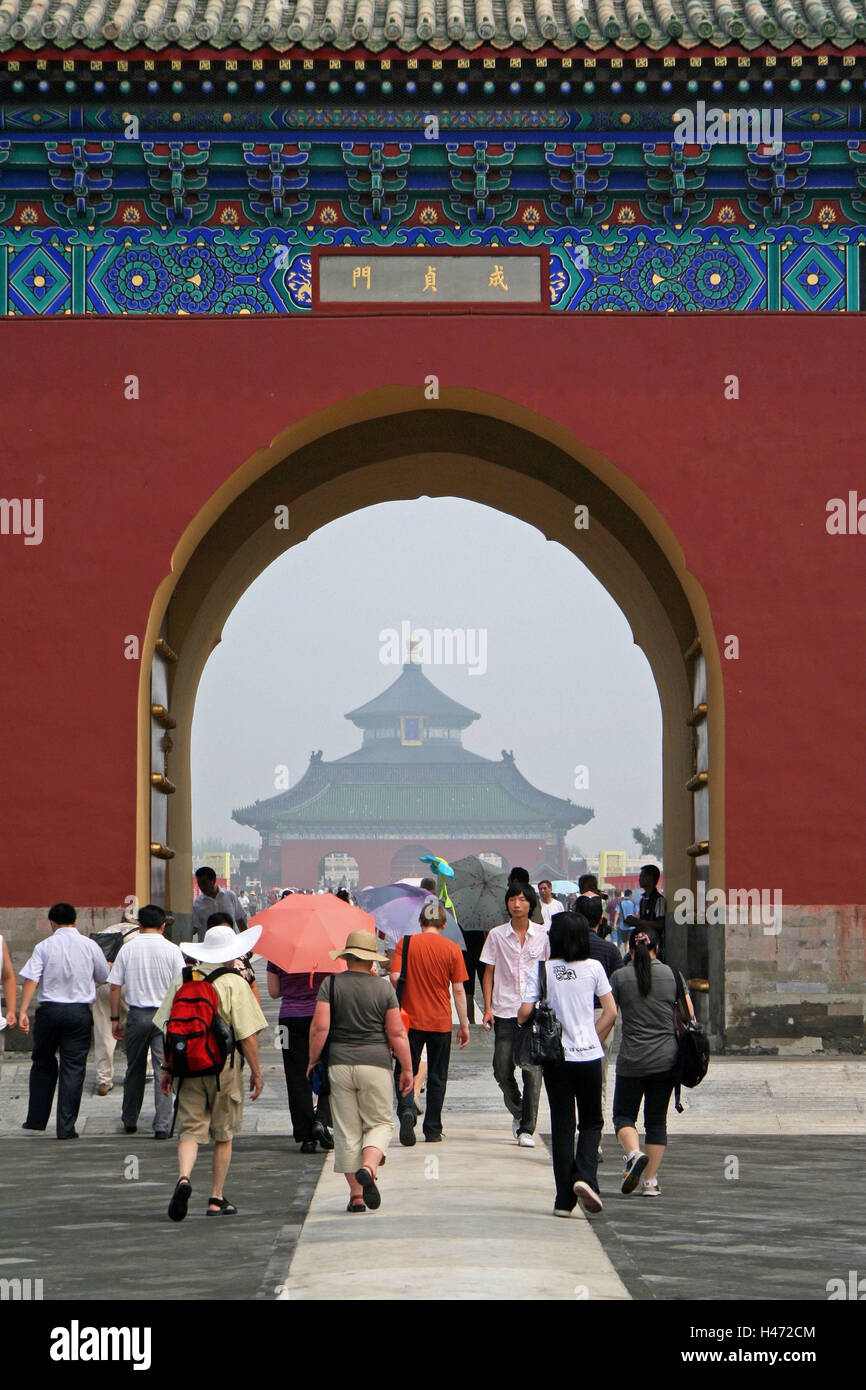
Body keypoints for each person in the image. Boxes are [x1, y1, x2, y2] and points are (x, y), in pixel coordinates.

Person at [155, 922, 267, 1220]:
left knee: (190, 1130)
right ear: (231, 953)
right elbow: (247, 1035)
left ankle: (183, 1177)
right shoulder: (235, 983)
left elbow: (169, 1028)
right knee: (223, 1133)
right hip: (224, 1069)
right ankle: (216, 1198)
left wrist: (167, 1067)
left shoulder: (184, 980)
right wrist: (256, 1072)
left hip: (187, 1067)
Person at [307, 931, 412, 1213]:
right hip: (376, 1064)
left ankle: (356, 1195)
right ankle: (369, 1166)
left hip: (339, 1065)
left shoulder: (330, 984)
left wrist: (312, 1060)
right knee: (379, 1123)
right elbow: (397, 1033)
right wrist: (408, 1068)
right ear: (371, 960)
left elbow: (320, 1028)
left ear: (347, 957)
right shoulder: (383, 989)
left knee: (347, 1130)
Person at [519, 913, 617, 1216]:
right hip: (588, 1057)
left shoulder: (544, 971)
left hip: (556, 1060)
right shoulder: (594, 968)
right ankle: (585, 1177)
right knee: (592, 1121)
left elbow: (523, 1013)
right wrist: (593, 1039)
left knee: (563, 1127)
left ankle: (564, 1201)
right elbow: (611, 1012)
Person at [610, 925, 693, 1197]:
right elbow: (689, 1016)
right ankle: (650, 1182)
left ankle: (634, 1154)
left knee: (623, 1115)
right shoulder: (672, 974)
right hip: (665, 1060)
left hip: (632, 1059)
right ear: (657, 947)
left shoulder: (620, 977)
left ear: (630, 949)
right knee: (656, 1121)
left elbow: (611, 1012)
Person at [18, 903, 110, 1139]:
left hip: (49, 1012)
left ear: (52, 923)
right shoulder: (90, 946)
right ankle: (66, 1127)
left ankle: (36, 1120)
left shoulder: (44, 946)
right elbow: (103, 976)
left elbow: (31, 979)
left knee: (42, 1063)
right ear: (75, 921)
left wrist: (22, 1011)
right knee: (73, 1068)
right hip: (79, 1013)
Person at [390, 899, 470, 1146]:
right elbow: (458, 990)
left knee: (405, 1069)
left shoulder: (407, 943)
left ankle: (406, 1110)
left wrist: (410, 988)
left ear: (420, 922)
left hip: (410, 1022)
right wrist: (464, 1024)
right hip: (440, 1022)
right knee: (437, 1075)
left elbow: (394, 977)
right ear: (444, 924)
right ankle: (433, 1129)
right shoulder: (452, 949)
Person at [480, 883, 550, 1147]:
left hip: (532, 1012)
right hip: (504, 1010)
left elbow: (547, 972)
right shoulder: (497, 936)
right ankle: (520, 1111)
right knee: (501, 1067)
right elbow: (488, 973)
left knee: (532, 1071)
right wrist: (487, 1007)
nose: (517, 904)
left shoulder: (543, 935)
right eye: (512, 899)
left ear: (531, 904)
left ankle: (526, 1129)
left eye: (522, 899)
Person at [109, 904, 185, 1138]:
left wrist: (115, 1019)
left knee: (134, 1069)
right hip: (165, 1016)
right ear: (163, 925)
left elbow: (114, 986)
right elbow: (181, 987)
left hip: (137, 1015)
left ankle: (130, 1119)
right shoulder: (173, 950)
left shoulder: (128, 949)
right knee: (164, 1069)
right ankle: (162, 1125)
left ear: (139, 925)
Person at [267, 960, 333, 1154]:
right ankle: (321, 1119)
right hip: (322, 1016)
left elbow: (274, 991)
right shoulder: (327, 951)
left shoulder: (279, 953)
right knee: (328, 1068)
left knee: (295, 1076)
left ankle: (306, 1137)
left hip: (288, 1020)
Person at [92, 903, 139, 1095]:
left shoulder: (107, 932)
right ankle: (145, 1069)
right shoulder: (141, 936)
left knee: (103, 1033)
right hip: (130, 986)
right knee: (138, 1025)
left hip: (103, 985)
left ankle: (104, 1079)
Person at [205, 912, 262, 1005]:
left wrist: (257, 1011)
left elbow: (253, 986)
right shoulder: (197, 962)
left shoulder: (241, 958)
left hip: (242, 1010)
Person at [192, 867, 247, 943]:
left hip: (229, 945)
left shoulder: (230, 896)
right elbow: (194, 928)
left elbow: (240, 920)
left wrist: (246, 944)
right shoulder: (196, 904)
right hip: (208, 948)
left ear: (213, 880)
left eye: (204, 883)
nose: (202, 887)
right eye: (199, 884)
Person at [625, 866, 667, 958]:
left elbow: (660, 924)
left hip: (653, 945)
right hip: (641, 944)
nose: (639, 879)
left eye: (642, 876)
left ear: (650, 878)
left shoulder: (659, 900)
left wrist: (638, 922)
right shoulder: (642, 900)